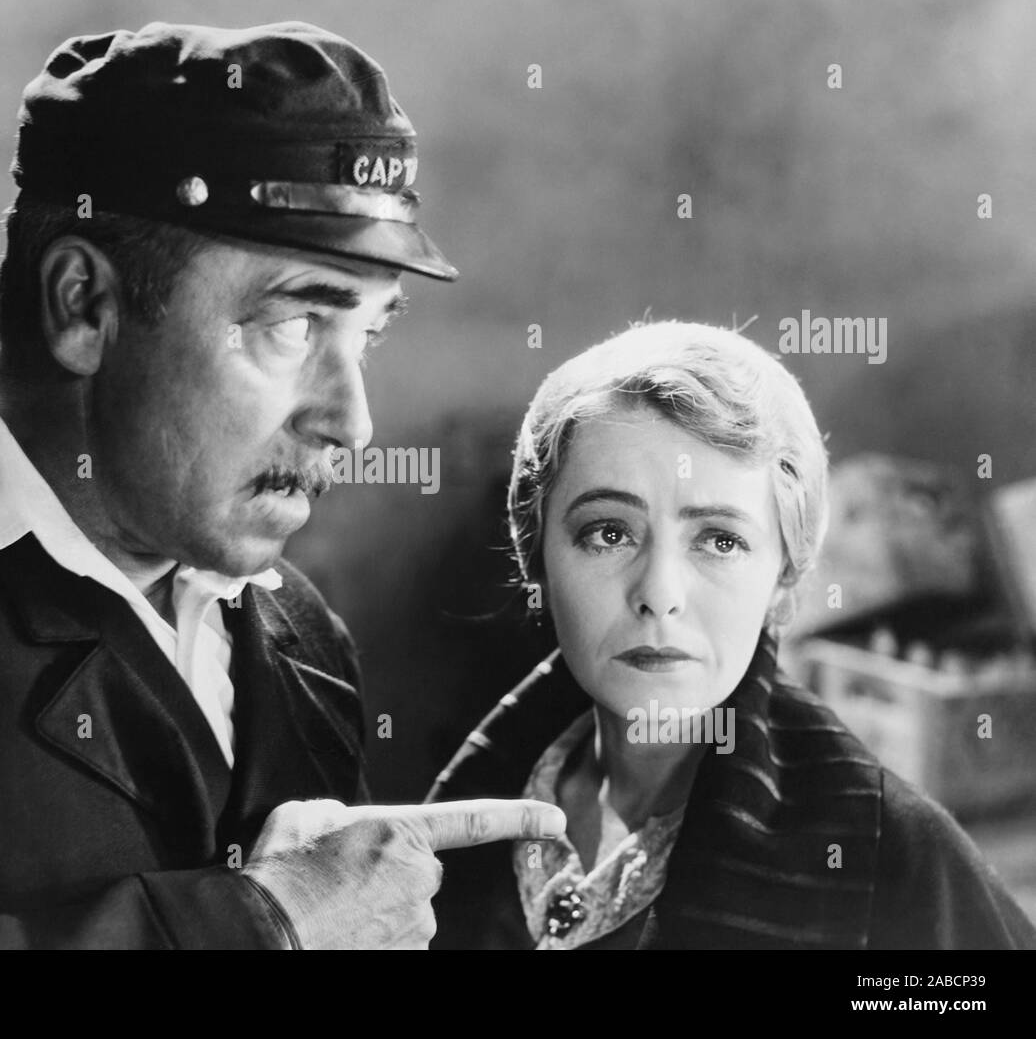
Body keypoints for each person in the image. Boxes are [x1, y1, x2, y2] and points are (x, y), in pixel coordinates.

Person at [0, 20, 564, 950]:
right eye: (294, 326)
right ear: (83, 306)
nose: (352, 419)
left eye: (368, 336)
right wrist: (263, 921)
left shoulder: (297, 630)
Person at [427, 321, 1036, 949]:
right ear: (536, 558)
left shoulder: (892, 856)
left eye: (720, 541)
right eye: (609, 532)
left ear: (784, 577)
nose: (659, 594)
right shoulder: (466, 818)